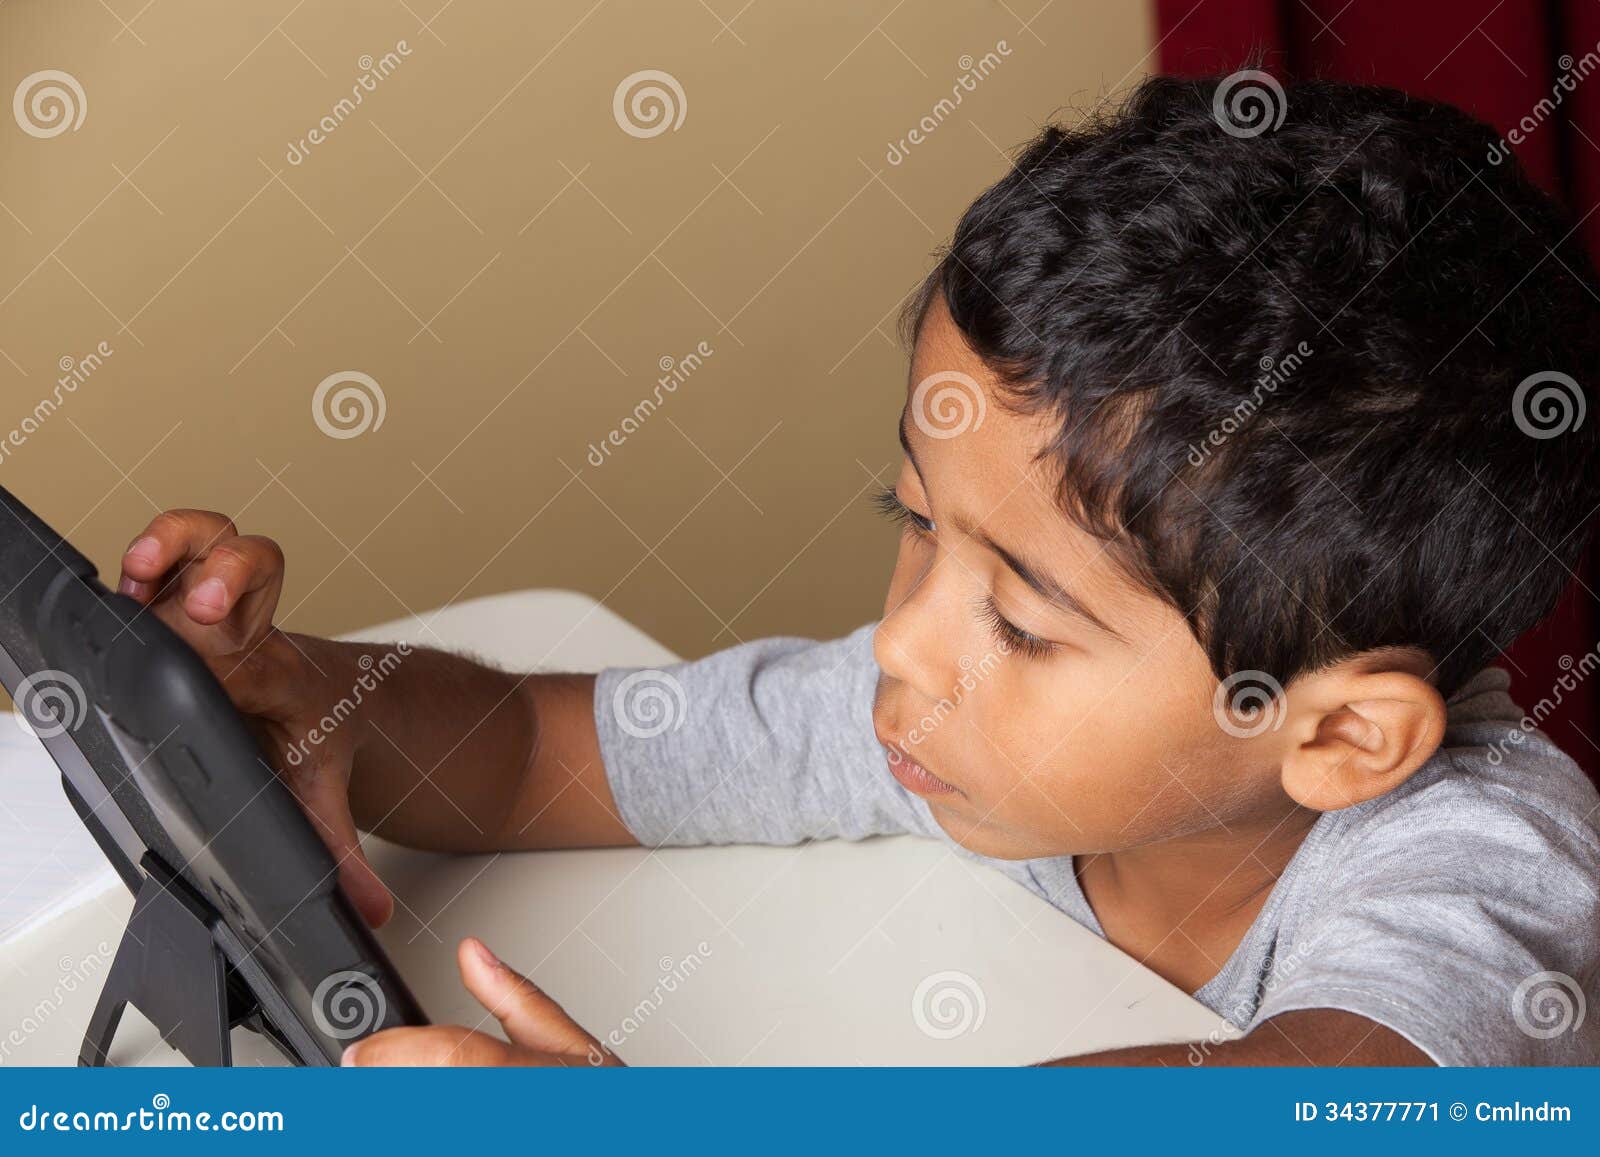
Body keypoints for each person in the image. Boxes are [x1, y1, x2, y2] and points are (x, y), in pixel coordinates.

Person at [116, 75, 1600, 1065]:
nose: (899, 645)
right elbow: (530, 752)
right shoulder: (944, 721)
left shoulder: (1481, 866)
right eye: (915, 522)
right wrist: (322, 702)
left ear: (1337, 734)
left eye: (1020, 617)